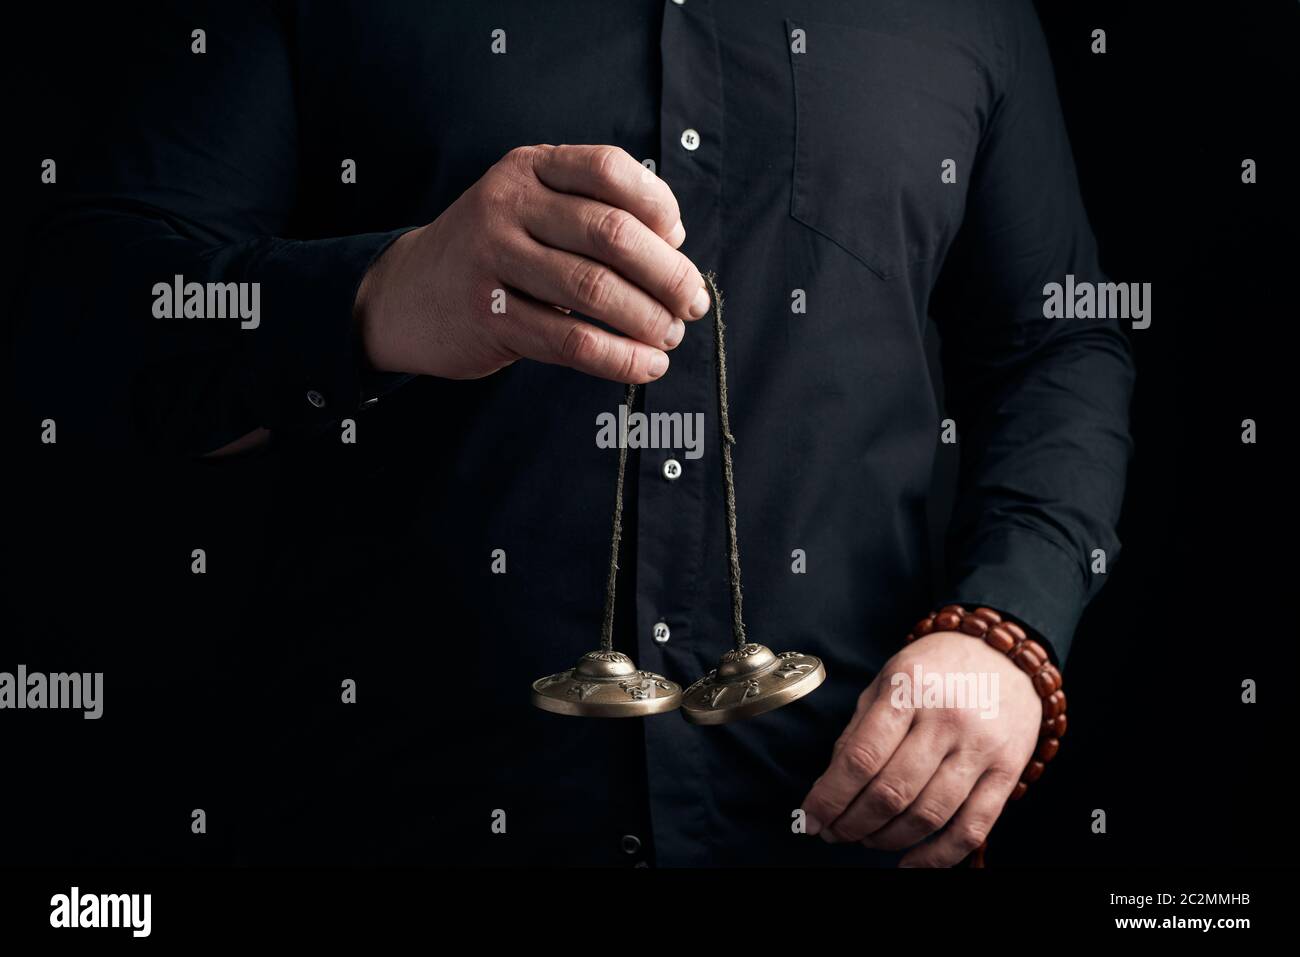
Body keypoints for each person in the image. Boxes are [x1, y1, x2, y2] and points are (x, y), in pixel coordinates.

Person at [17, 0, 1133, 867]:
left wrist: (1006, 631)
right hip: (395, 821)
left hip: (837, 827)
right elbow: (94, 324)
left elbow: (1058, 344)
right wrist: (384, 294)